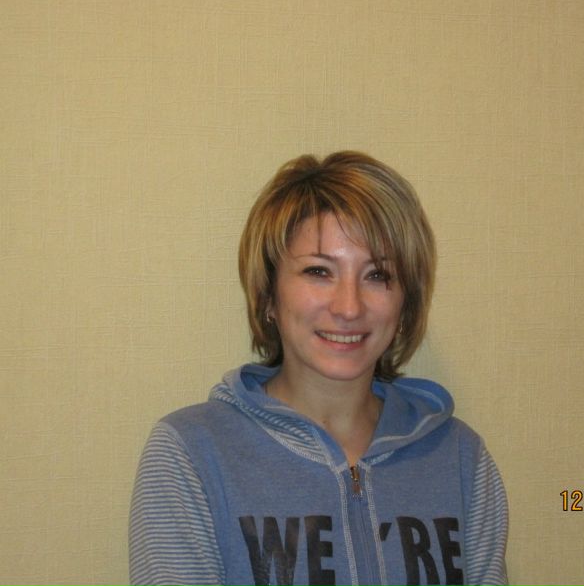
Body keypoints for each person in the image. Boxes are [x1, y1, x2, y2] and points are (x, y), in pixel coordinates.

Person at [129, 151, 508, 586]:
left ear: (406, 303)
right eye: (318, 271)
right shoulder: (192, 455)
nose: (348, 307)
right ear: (268, 295)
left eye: (377, 275)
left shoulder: (460, 458)